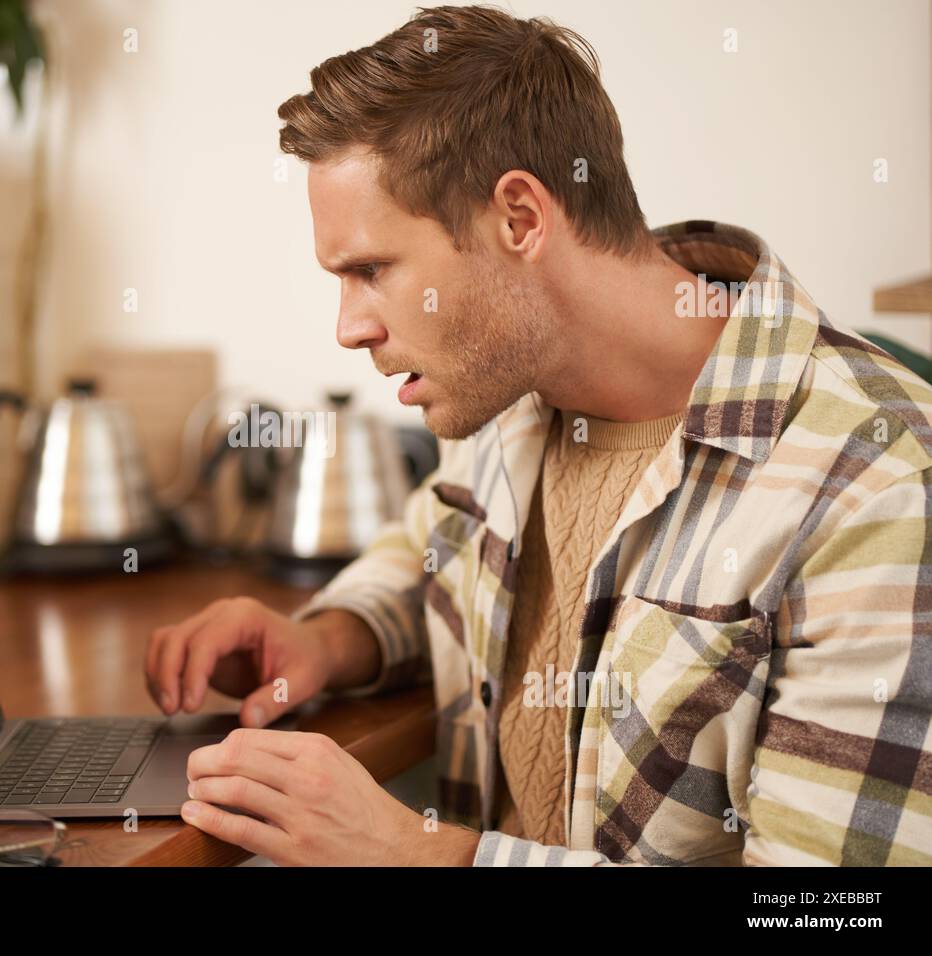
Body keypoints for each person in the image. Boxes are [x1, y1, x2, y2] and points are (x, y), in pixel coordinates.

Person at [144, 4, 932, 866]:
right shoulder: (509, 385)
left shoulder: (877, 486)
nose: (348, 329)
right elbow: (433, 542)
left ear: (519, 219)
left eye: (370, 270)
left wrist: (418, 855)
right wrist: (331, 640)